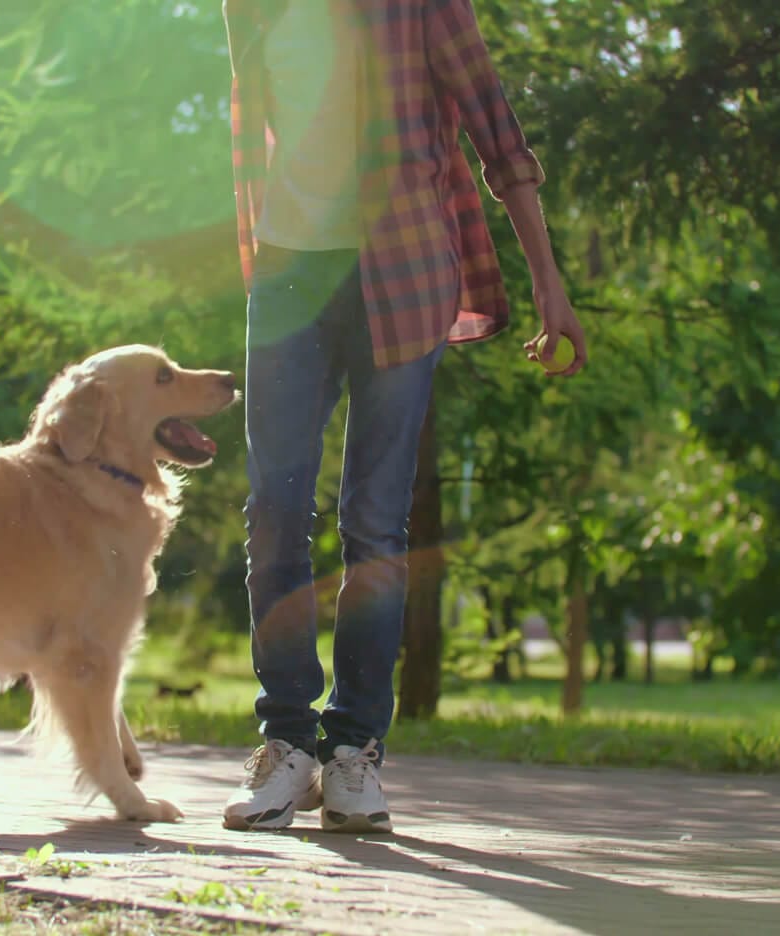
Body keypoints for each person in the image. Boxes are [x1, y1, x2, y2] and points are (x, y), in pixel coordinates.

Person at [220, 0, 587, 834]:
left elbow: (498, 133)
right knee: (275, 512)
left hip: (404, 269)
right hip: (286, 275)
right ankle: (287, 746)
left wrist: (549, 282)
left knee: (375, 523)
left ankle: (354, 752)